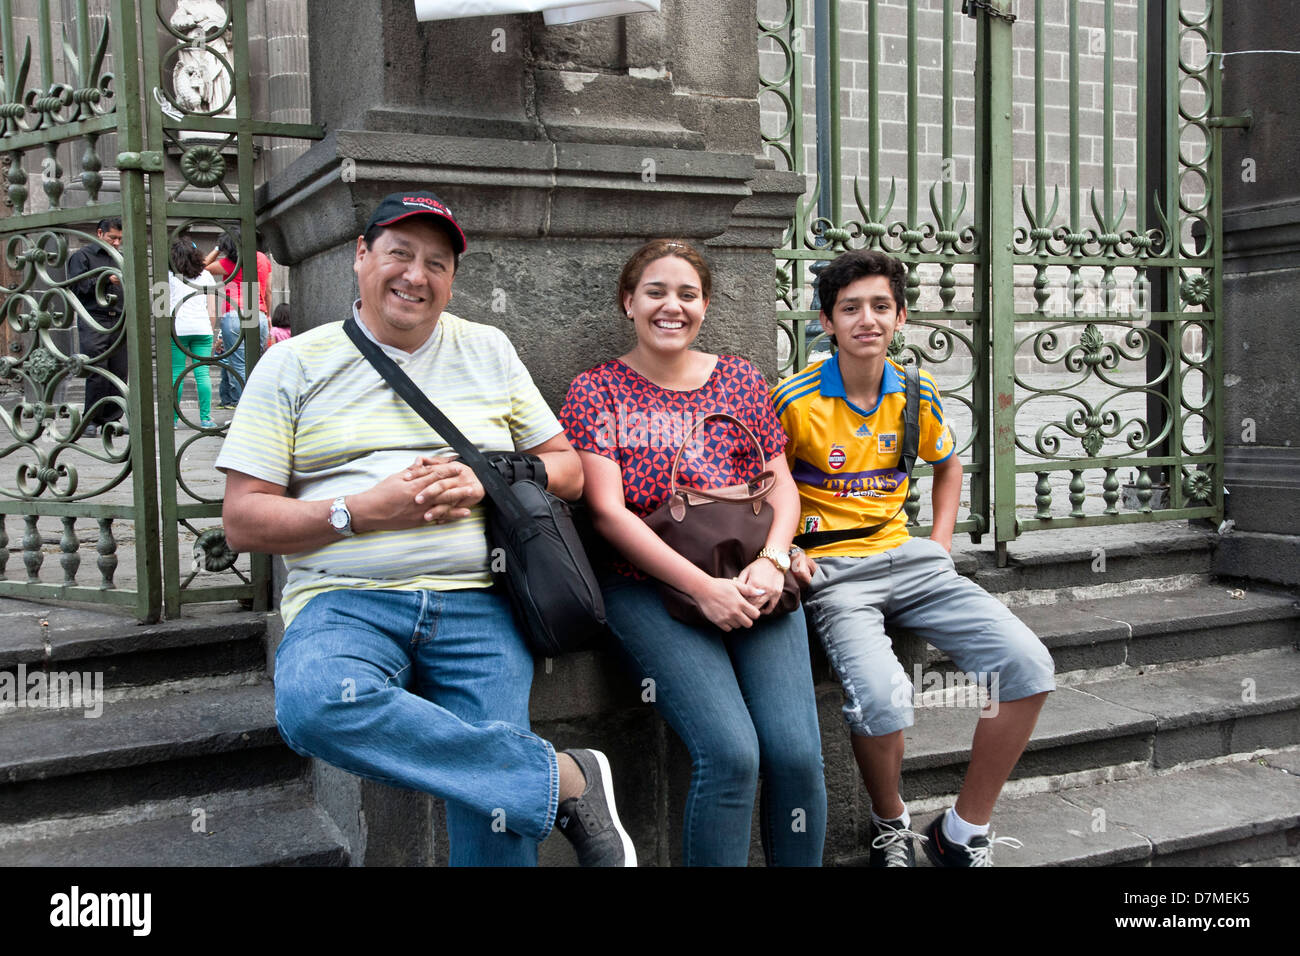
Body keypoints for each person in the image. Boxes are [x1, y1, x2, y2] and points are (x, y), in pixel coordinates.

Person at [215, 191, 635, 867]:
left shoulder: (487, 349)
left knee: (496, 818)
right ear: (361, 257)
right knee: (316, 704)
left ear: (452, 281)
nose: (416, 275)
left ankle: (531, 781)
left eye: (436, 263)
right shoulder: (293, 364)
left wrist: (491, 478)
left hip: (478, 600)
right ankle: (560, 778)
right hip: (343, 601)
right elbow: (242, 520)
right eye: (400, 254)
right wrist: (362, 510)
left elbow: (570, 470)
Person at [772, 249, 1056, 867]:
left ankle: (961, 832)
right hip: (836, 574)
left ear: (901, 318)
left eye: (881, 306)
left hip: (913, 560)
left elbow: (947, 464)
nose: (866, 319)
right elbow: (763, 483)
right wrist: (786, 550)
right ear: (827, 321)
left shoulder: (915, 391)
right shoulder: (793, 401)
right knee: (882, 698)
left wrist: (940, 543)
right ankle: (891, 823)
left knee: (1028, 666)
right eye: (850, 308)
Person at [560, 239, 826, 866]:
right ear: (629, 302)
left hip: (752, 571)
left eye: (687, 294)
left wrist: (773, 560)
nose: (671, 306)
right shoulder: (596, 391)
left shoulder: (739, 377)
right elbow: (606, 511)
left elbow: (782, 485)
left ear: (705, 305)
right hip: (645, 584)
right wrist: (702, 590)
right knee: (731, 754)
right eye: (655, 291)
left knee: (794, 753)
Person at [66, 217, 126, 439]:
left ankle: (112, 420)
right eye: (113, 238)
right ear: (100, 234)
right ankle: (90, 420)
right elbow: (77, 287)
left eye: (120, 238)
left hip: (119, 318)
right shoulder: (82, 257)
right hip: (94, 319)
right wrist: (107, 281)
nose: (117, 243)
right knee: (97, 371)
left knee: (119, 371)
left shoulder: (119, 257)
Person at [204, 226, 271, 409]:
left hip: (234, 313)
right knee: (255, 365)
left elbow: (202, 267)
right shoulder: (262, 258)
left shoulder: (228, 263)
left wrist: (217, 248)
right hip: (259, 313)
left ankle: (247, 411)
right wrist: (268, 314)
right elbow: (269, 291)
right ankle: (258, 408)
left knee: (238, 367)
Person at [167, 238, 219, 430]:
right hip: (202, 328)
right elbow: (212, 310)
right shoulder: (206, 276)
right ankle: (206, 418)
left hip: (177, 329)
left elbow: (161, 308)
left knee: (176, 374)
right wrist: (210, 330)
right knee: (202, 374)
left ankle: (172, 419)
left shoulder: (169, 276)